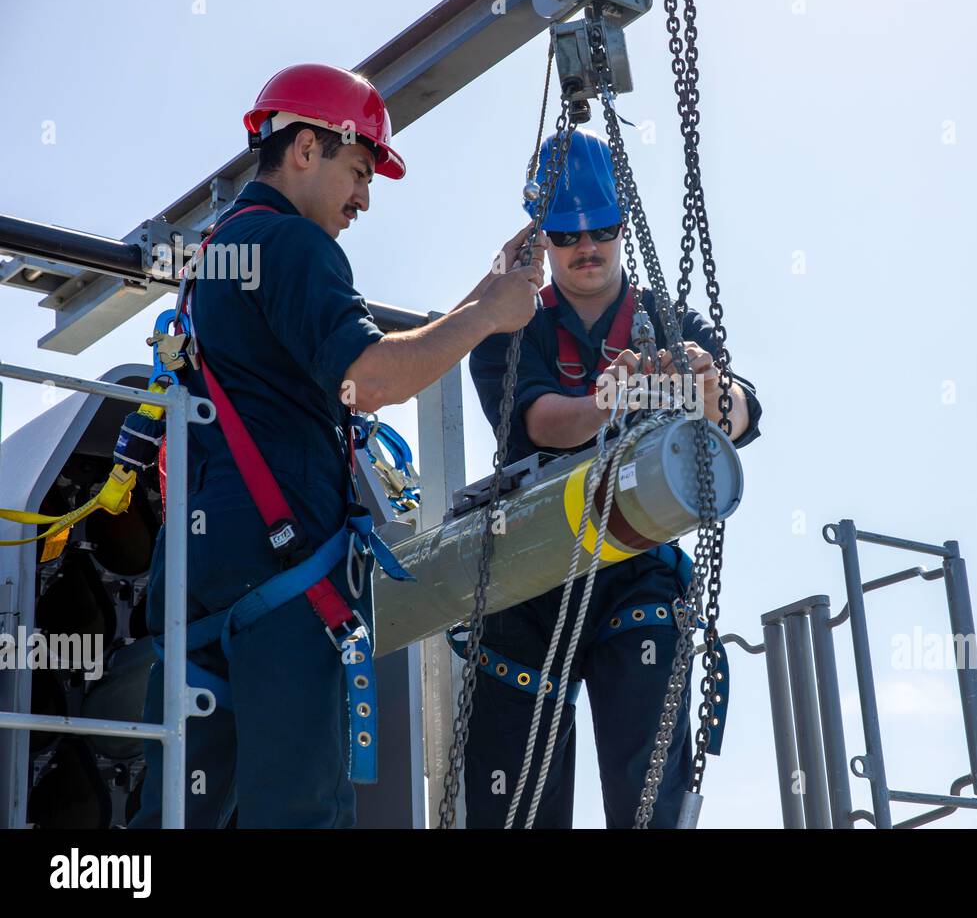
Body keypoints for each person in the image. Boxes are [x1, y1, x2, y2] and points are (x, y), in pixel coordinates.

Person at [129, 63, 544, 828]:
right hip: (284, 589)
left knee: (179, 821)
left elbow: (337, 362)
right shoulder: (294, 244)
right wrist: (488, 321)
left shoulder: (220, 254)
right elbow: (369, 380)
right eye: (359, 171)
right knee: (300, 816)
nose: (362, 199)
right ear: (307, 150)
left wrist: (486, 295)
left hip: (197, 593)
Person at [464, 128, 762, 828]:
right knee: (516, 808)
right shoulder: (512, 328)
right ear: (542, 241)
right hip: (530, 581)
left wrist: (708, 391)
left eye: (602, 229)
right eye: (568, 236)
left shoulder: (666, 321)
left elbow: (744, 413)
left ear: (622, 225)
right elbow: (539, 422)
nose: (588, 247)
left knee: (648, 799)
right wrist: (616, 401)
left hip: (636, 572)